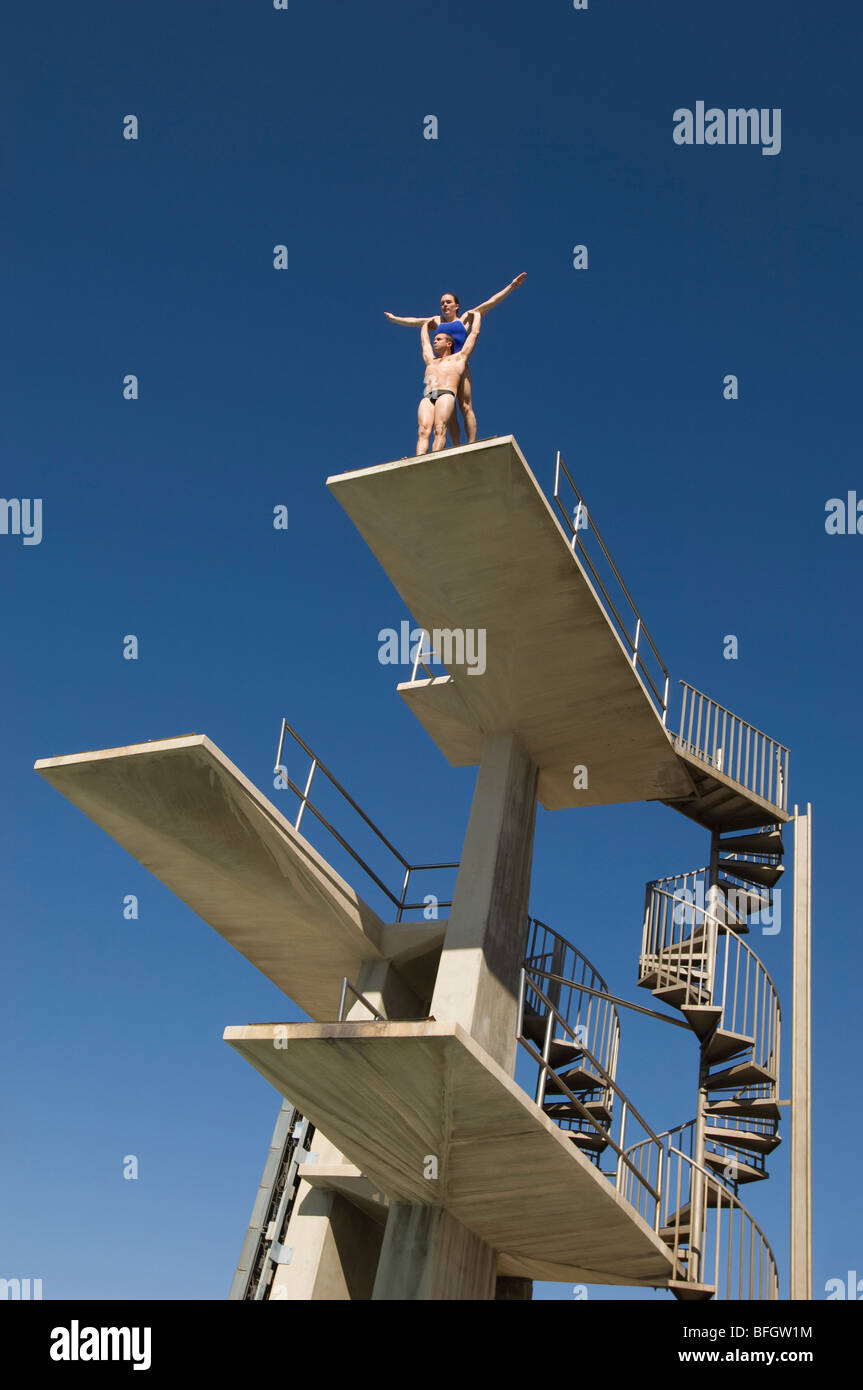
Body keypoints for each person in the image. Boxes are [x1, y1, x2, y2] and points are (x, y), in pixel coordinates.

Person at [386, 273, 527, 445]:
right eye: (442, 303)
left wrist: (511, 286)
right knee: (448, 413)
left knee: (465, 406)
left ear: (456, 305)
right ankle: (455, 445)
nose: (444, 305)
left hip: (460, 364)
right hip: (442, 369)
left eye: (448, 302)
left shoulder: (465, 319)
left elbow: (490, 303)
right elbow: (416, 321)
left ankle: (471, 442)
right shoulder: (437, 321)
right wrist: (395, 319)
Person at [416, 314, 481, 455]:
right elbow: (424, 343)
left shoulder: (459, 358)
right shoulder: (430, 360)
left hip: (446, 394)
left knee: (439, 428)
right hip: (429, 395)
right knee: (422, 430)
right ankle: (419, 458)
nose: (435, 342)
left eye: (439, 339)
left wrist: (477, 316)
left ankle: (434, 457)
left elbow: (474, 334)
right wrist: (425, 325)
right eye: (435, 339)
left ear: (449, 343)